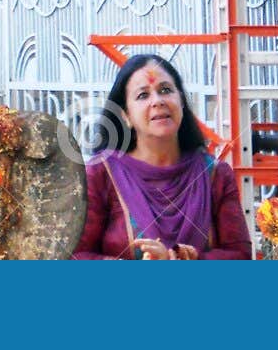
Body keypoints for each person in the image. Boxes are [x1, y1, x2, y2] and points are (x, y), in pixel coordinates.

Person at [74, 53, 251, 260]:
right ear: (126, 116)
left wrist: (184, 261)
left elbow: (241, 255)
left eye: (165, 90)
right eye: (143, 95)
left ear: (182, 102)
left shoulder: (215, 175)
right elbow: (75, 255)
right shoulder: (99, 173)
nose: (157, 101)